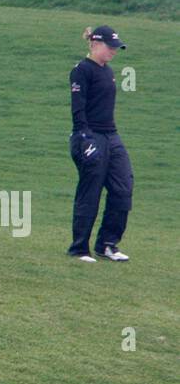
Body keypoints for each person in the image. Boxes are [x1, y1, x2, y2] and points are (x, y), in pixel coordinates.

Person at [67, 26, 132, 262]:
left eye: (116, 48)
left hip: (111, 136)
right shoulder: (81, 71)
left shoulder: (109, 71)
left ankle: (107, 244)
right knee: (90, 192)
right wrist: (84, 138)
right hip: (89, 136)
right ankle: (79, 248)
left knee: (123, 188)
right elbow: (78, 109)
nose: (114, 51)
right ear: (95, 44)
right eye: (110, 47)